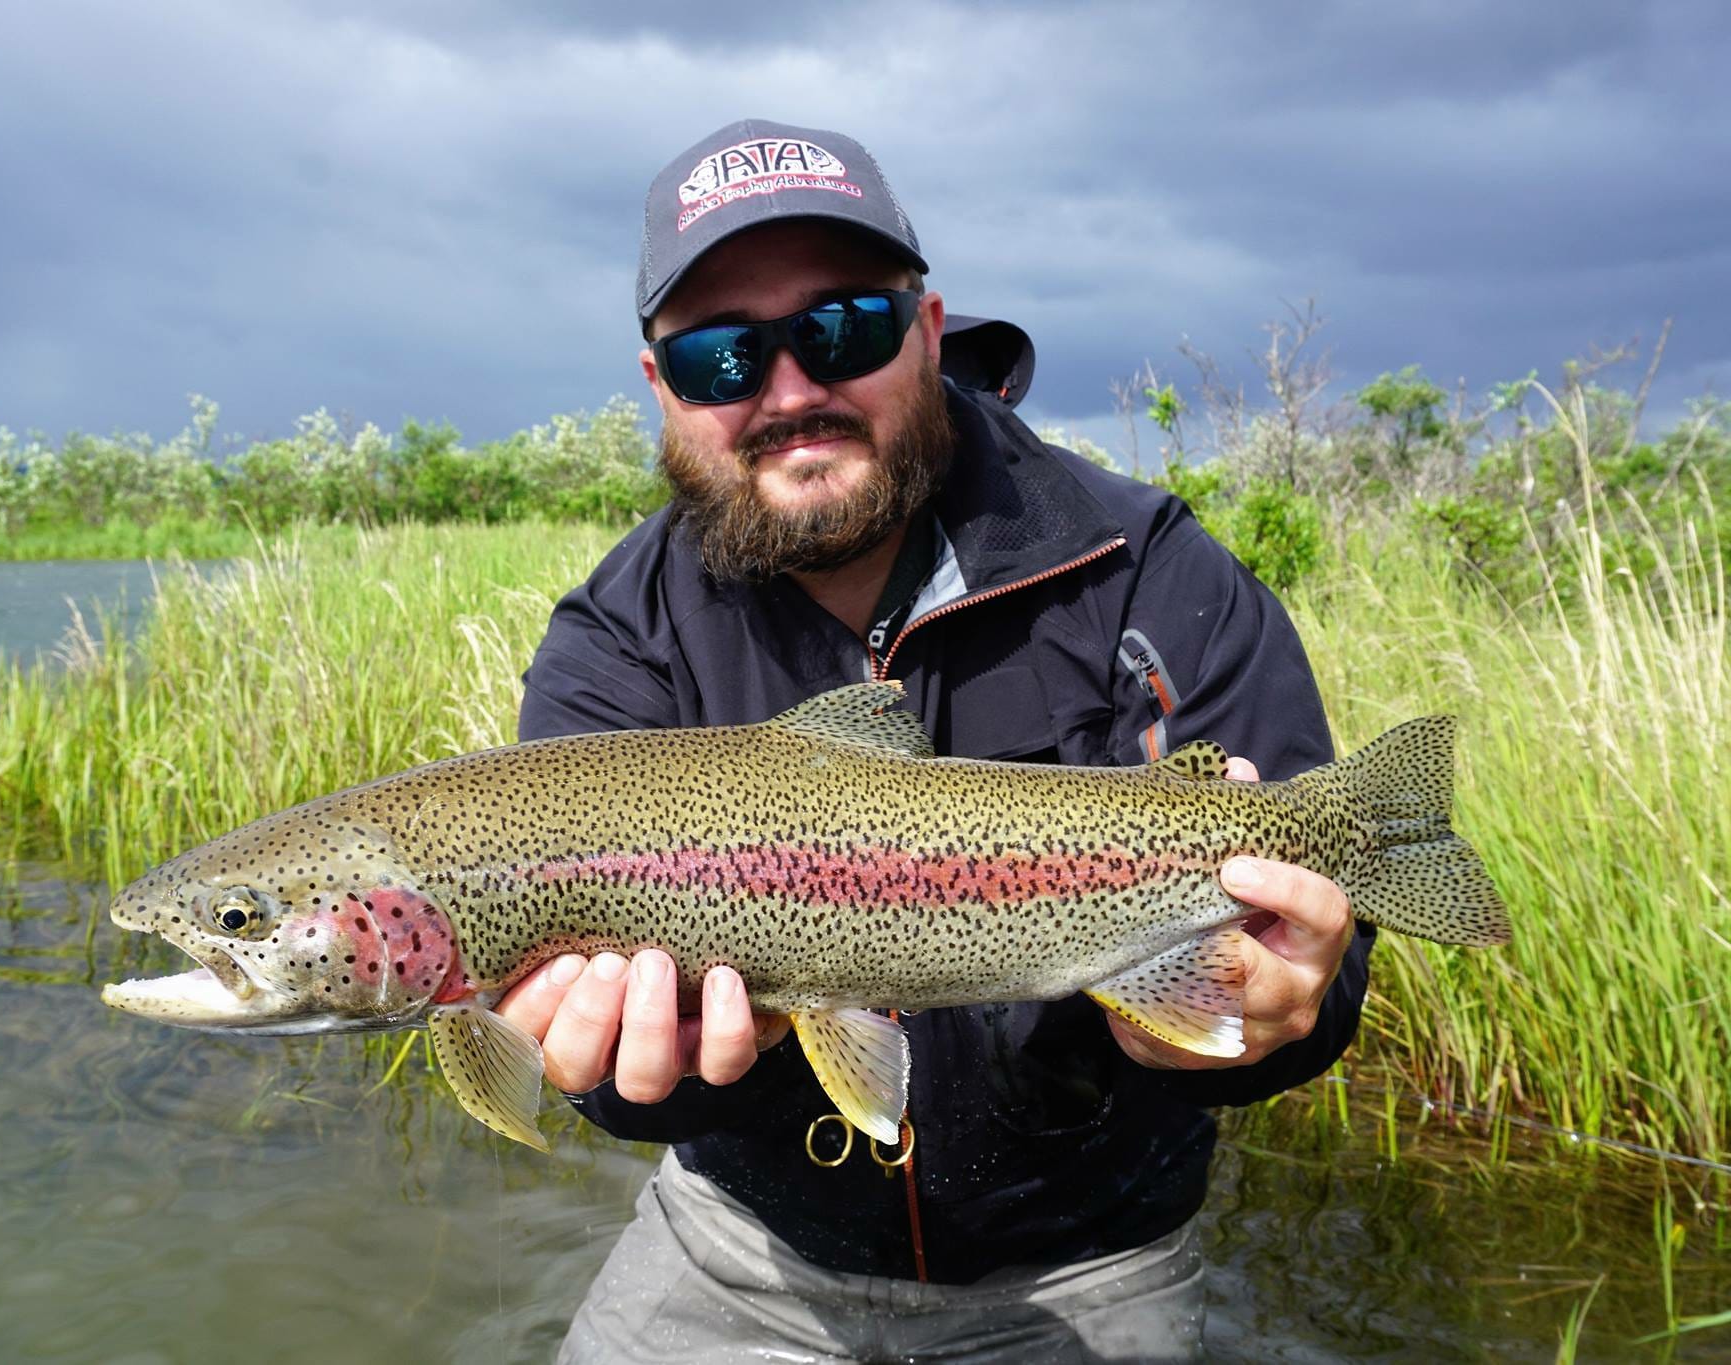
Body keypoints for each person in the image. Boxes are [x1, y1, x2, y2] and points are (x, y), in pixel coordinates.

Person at [498, 118, 1368, 1363]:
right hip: (741, 1248)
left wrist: (1274, 1006)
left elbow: (1314, 967)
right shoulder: (616, 637)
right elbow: (598, 1063)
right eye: (719, 354)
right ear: (660, 386)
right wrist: (630, 1076)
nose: (788, 391)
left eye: (842, 328)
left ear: (925, 327)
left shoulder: (1145, 570)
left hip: (1091, 1261)